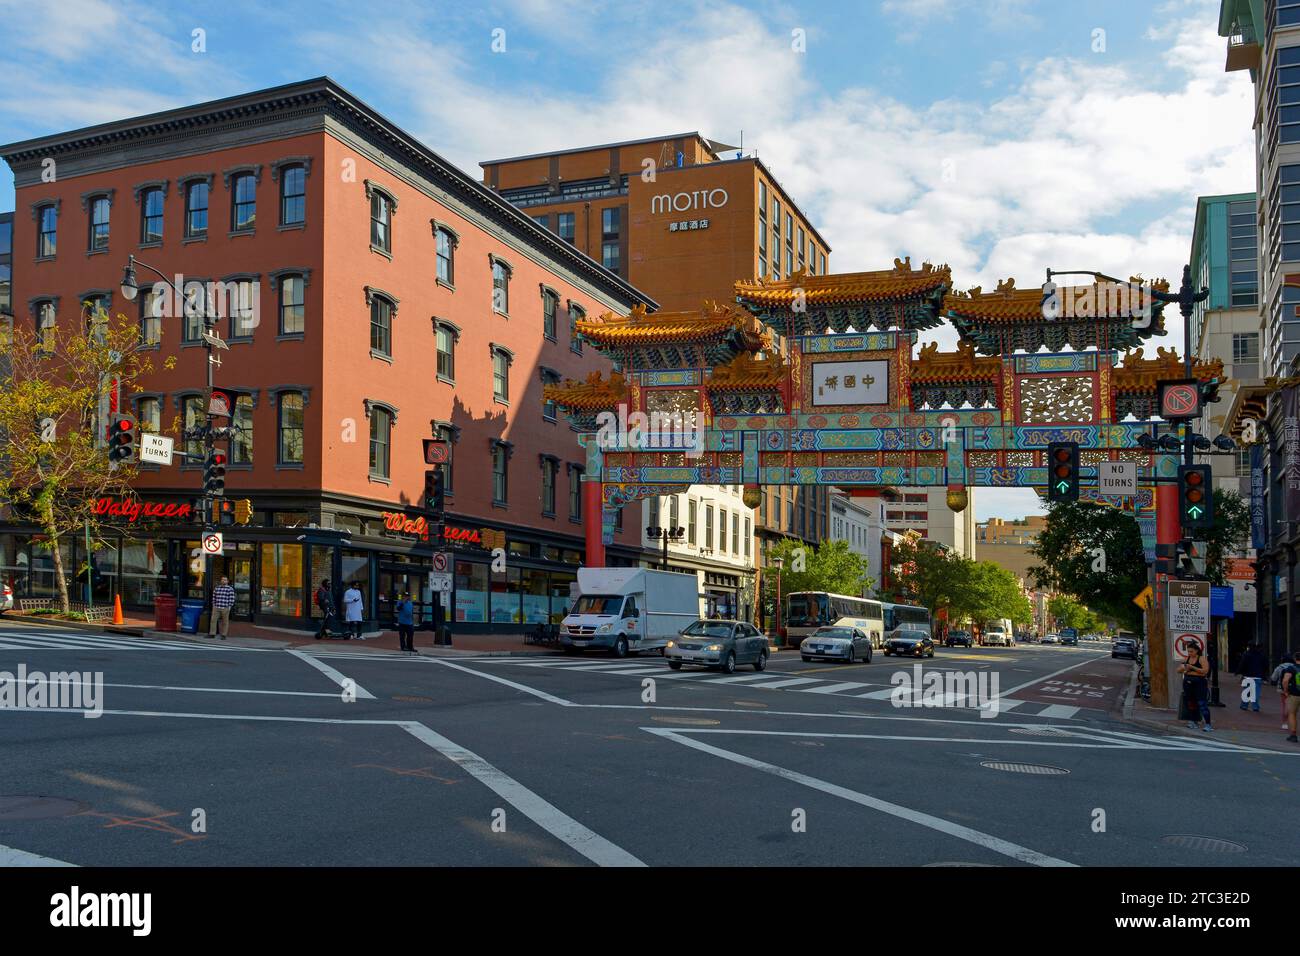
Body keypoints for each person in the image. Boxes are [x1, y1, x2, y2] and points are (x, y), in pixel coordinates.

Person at [1176, 644, 1212, 732]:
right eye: (1188, 651)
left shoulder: (1201, 659)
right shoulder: (1187, 659)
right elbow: (1178, 670)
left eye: (1191, 651)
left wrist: (1192, 667)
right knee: (1191, 703)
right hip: (1188, 683)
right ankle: (1193, 721)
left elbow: (1205, 671)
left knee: (1202, 703)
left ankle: (1208, 724)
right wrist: (1184, 669)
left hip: (1199, 683)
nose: (1190, 653)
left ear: (1196, 650)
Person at [1235, 642, 1268, 712]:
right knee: (1256, 693)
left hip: (1247, 676)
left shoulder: (1246, 654)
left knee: (1246, 692)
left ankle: (1244, 705)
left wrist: (1237, 672)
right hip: (1257, 676)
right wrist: (1263, 674)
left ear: (1249, 647)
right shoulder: (1261, 655)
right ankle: (1255, 707)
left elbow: (1242, 664)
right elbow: (1265, 665)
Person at [1280, 650, 1300, 744]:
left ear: (1295, 659)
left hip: (1294, 695)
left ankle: (1293, 735)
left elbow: (1285, 680)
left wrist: (1285, 691)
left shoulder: (1291, 668)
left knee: (1292, 714)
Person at [210, 576, 236, 640]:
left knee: (225, 622)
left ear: (227, 581)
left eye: (225, 580)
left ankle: (224, 635)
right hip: (216, 607)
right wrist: (214, 605)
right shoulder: (217, 588)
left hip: (225, 607)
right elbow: (214, 597)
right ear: (221, 581)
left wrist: (229, 607)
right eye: (222, 580)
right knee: (213, 620)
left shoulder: (230, 589)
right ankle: (212, 634)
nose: (223, 581)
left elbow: (232, 599)